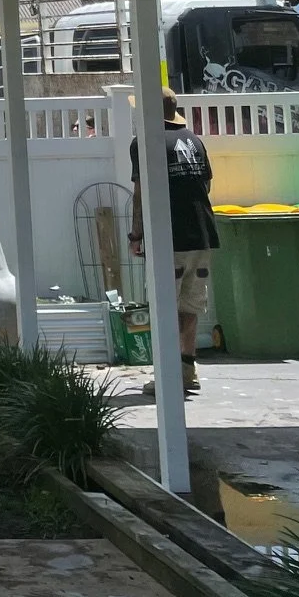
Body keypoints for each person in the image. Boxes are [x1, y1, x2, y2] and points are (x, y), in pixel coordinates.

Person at [129, 85, 220, 396]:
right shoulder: (194, 141)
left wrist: (136, 235)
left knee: (164, 306)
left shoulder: (144, 143)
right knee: (190, 306)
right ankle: (187, 372)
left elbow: (141, 194)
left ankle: (168, 377)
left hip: (171, 237)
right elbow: (205, 184)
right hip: (202, 235)